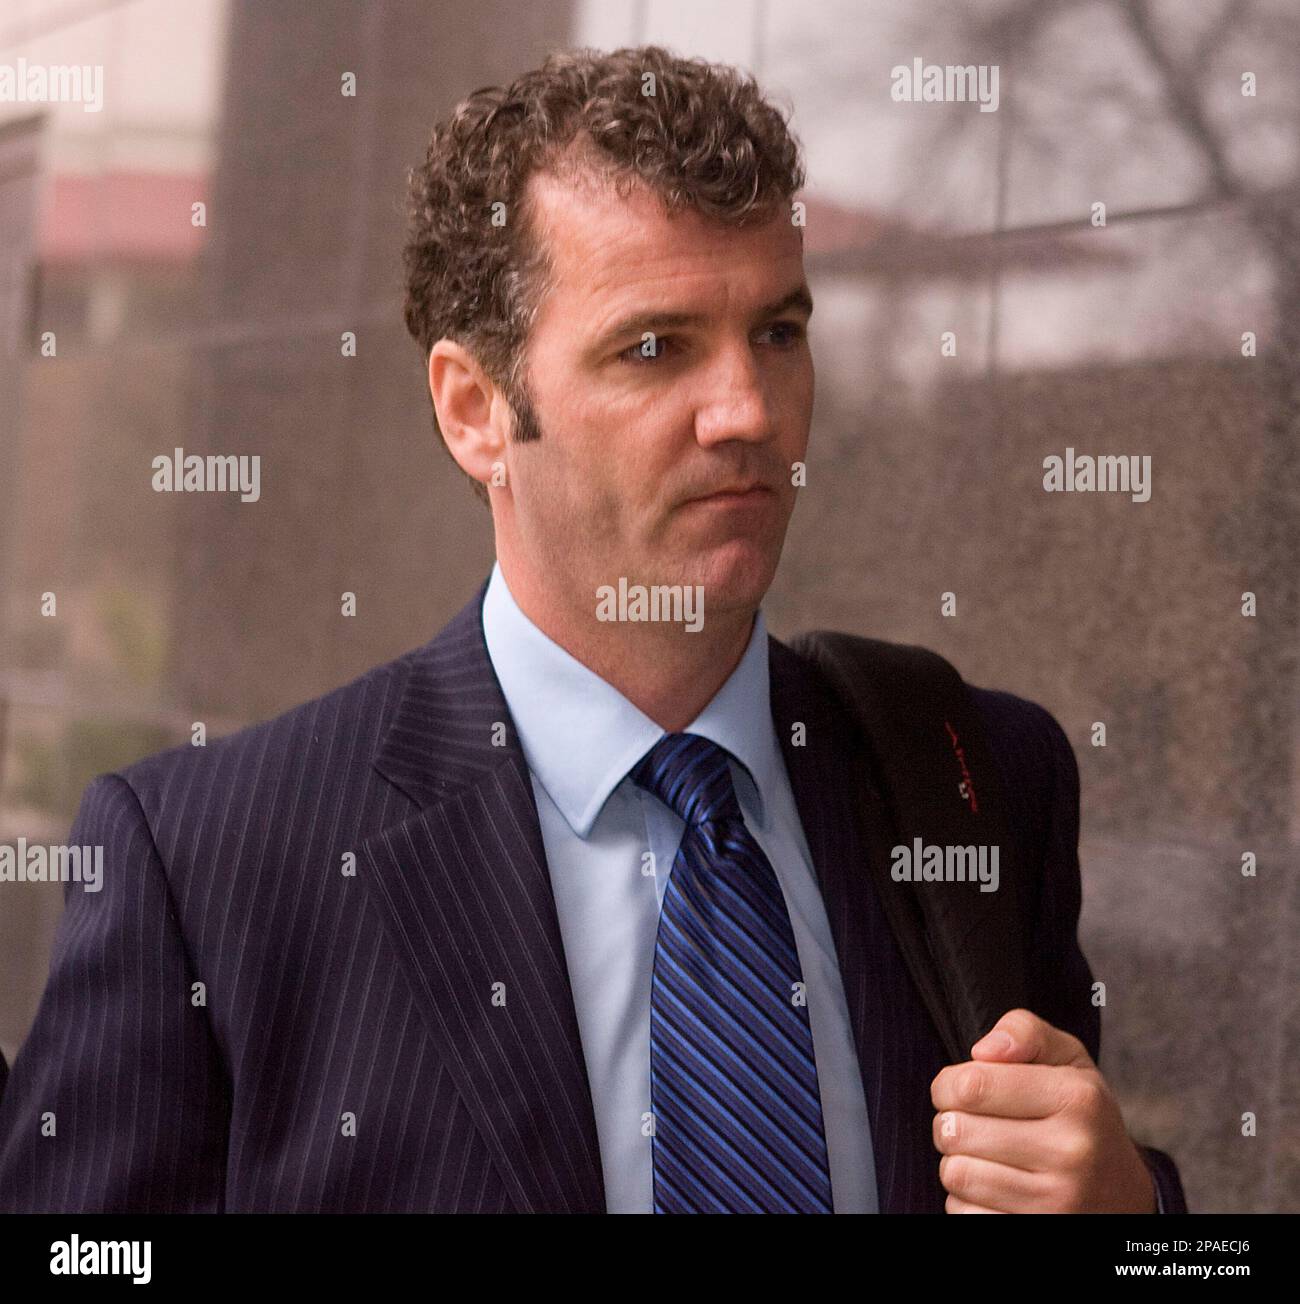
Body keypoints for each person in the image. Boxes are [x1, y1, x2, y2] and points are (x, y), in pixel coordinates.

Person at [0, 44, 1185, 1214]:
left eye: (777, 330)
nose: (748, 411)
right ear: (476, 411)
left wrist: (1133, 1220)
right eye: (654, 347)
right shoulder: (206, 866)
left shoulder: (977, 778)